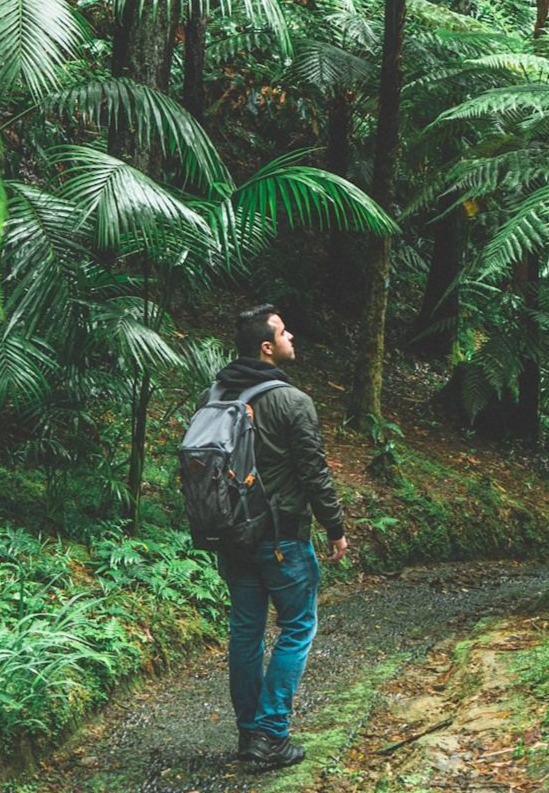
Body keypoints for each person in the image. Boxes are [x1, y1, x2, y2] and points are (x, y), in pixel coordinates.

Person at [212, 304, 347, 769]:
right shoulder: (292, 402)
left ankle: (249, 735)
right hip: (281, 536)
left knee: (245, 632)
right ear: (267, 347)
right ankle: (272, 734)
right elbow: (314, 472)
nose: (294, 338)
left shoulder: (214, 396)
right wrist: (336, 528)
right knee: (297, 626)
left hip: (231, 537)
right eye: (286, 332)